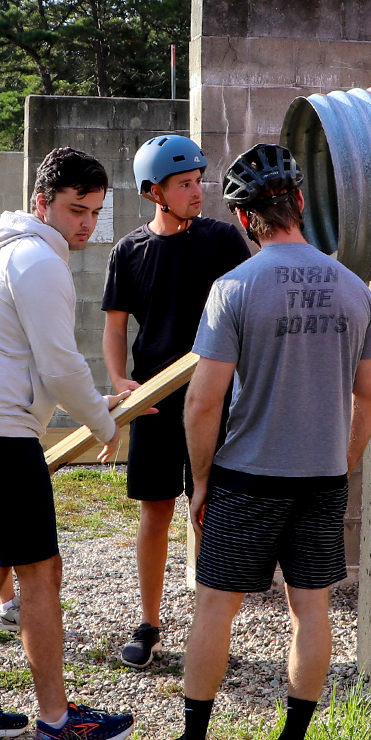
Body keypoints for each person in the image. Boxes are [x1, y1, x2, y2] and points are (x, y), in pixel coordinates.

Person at [149, 143, 371, 740]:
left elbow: (203, 401)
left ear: (247, 220)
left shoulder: (234, 288)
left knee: (215, 609)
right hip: (321, 478)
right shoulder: (355, 290)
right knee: (311, 609)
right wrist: (343, 463)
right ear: (300, 205)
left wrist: (200, 482)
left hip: (247, 477)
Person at [0, 147, 135, 740]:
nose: (86, 225)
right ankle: (56, 722)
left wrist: (95, 400)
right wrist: (103, 422)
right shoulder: (40, 259)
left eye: (95, 212)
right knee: (40, 570)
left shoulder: (11, 252)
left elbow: (30, 362)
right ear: (42, 203)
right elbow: (61, 364)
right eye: (76, 209)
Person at [102, 135, 249, 668]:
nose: (197, 191)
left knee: (209, 510)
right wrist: (120, 379)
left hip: (215, 400)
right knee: (155, 512)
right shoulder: (129, 251)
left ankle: (211, 626)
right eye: (185, 184)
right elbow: (115, 329)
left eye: (199, 181)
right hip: (156, 404)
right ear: (153, 192)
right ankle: (148, 622)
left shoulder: (224, 241)